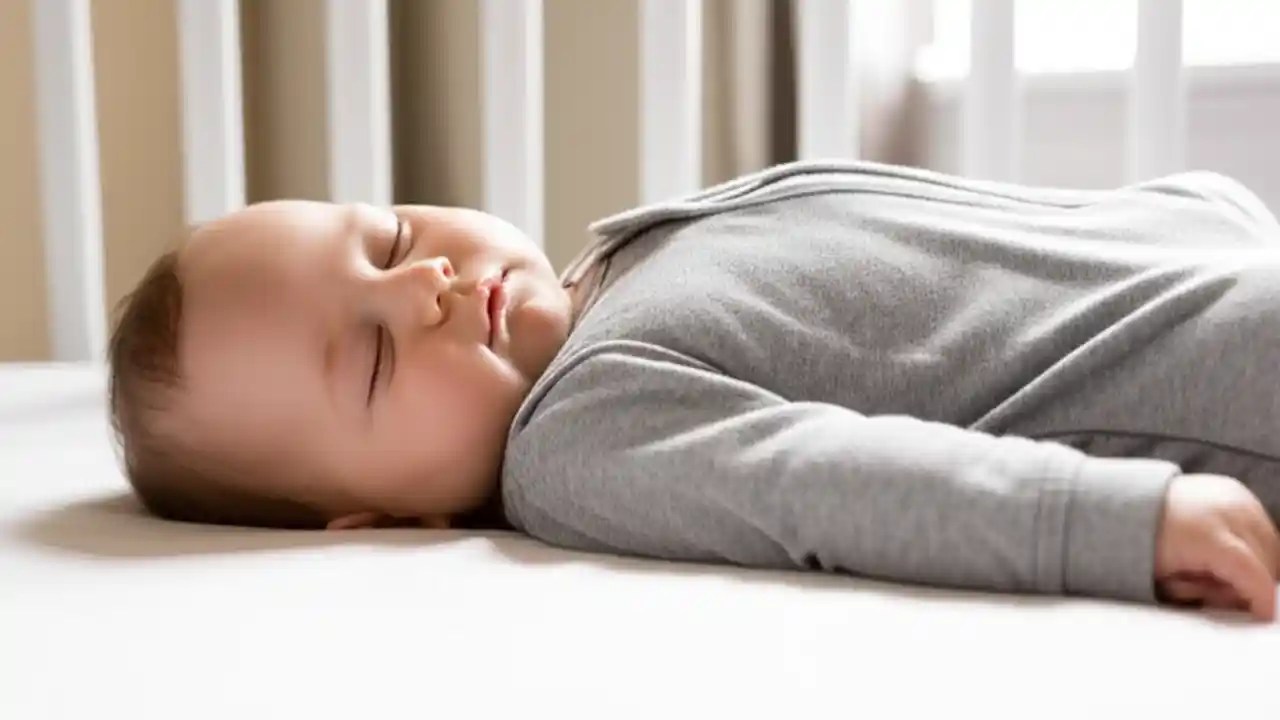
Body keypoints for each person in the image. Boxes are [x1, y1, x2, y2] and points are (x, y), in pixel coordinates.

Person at [108, 160, 1280, 621]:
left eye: (392, 238)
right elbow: (821, 485)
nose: (422, 284)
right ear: (379, 522)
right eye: (371, 357)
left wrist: (1168, 209)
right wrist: (1099, 520)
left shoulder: (616, 258)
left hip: (1211, 259)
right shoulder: (577, 438)